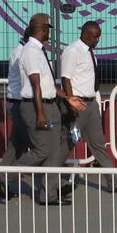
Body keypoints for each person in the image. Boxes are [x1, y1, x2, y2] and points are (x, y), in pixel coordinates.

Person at [0, 15, 46, 201]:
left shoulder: (20, 50)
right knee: (37, 145)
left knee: (17, 144)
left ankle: (2, 178)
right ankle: (8, 177)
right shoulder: (24, 52)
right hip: (19, 101)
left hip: (16, 100)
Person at [59, 20, 117, 189]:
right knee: (67, 142)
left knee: (98, 143)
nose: (98, 40)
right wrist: (71, 101)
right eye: (95, 37)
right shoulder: (72, 51)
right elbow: (66, 78)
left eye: (99, 36)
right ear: (85, 34)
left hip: (91, 104)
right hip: (77, 104)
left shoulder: (89, 52)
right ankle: (53, 181)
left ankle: (114, 181)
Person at [15, 14, 70, 205]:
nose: (49, 33)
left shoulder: (38, 50)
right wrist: (40, 114)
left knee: (54, 151)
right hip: (36, 107)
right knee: (43, 149)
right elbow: (35, 85)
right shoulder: (30, 51)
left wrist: (63, 95)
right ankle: (9, 173)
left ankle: (49, 195)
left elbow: (45, 84)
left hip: (49, 104)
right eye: (48, 29)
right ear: (43, 29)